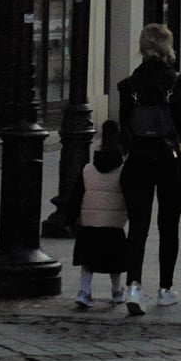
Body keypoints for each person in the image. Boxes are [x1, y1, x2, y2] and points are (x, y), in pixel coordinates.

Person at [117, 22, 181, 315]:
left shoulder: (128, 86)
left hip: (137, 160)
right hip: (169, 160)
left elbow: (125, 126)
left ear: (142, 46)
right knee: (168, 226)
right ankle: (165, 288)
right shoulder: (180, 83)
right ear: (167, 47)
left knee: (137, 227)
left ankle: (134, 286)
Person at [72, 120, 128, 309]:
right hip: (114, 224)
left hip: (90, 223)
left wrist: (73, 217)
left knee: (88, 260)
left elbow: (76, 194)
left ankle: (85, 291)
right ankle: (116, 291)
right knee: (116, 261)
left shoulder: (88, 169)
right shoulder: (123, 171)